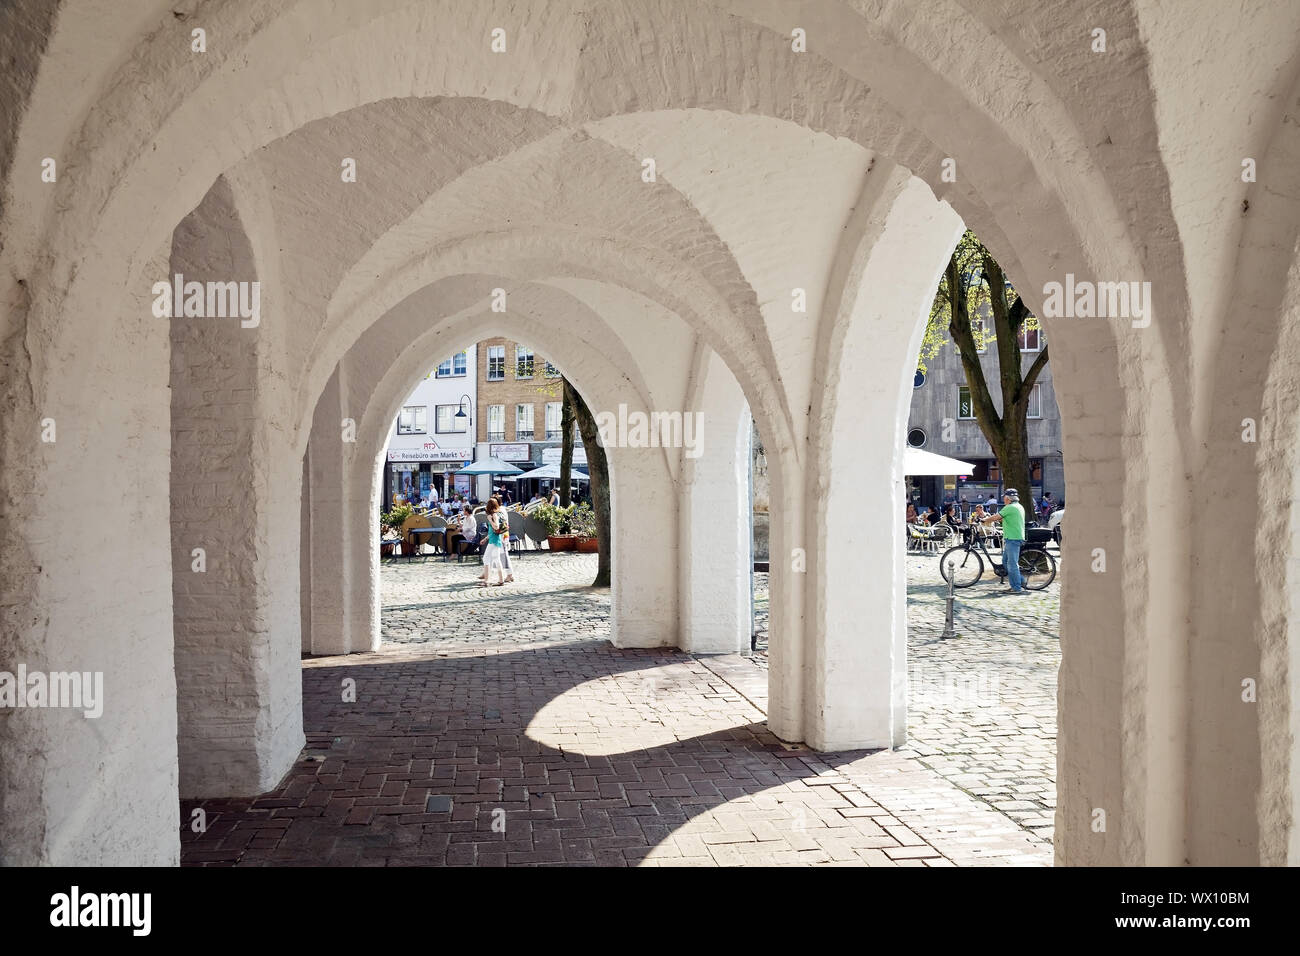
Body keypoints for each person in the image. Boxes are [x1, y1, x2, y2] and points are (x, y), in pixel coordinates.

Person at [982, 488, 1027, 593]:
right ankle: (1020, 580)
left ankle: (1016, 588)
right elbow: (1007, 518)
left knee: (1012, 564)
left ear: (1008, 498)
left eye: (1004, 497)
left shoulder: (1009, 507)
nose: (1003, 499)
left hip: (1012, 538)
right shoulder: (1019, 506)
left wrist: (984, 520)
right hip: (1014, 537)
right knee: (1005, 562)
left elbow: (996, 516)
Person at [479, 499, 507, 587]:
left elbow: (496, 527)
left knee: (486, 558)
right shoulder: (497, 514)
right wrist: (486, 538)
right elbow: (493, 531)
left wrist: (490, 520)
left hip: (494, 540)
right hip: (495, 539)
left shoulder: (494, 515)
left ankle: (486, 581)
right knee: (496, 559)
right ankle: (501, 580)